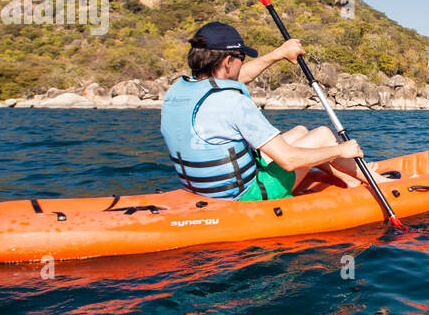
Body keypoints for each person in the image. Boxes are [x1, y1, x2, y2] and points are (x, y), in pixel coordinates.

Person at [160, 21, 386, 200]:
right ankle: (378, 182)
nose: (242, 64)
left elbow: (233, 77)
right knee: (323, 135)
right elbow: (289, 160)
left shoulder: (178, 90)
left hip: (206, 189)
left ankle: (351, 180)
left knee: (299, 130)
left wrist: (279, 54)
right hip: (246, 195)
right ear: (228, 61)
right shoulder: (233, 102)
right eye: (241, 58)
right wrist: (340, 151)